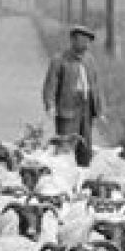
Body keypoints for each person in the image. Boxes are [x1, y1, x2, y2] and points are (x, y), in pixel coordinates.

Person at [42, 24, 103, 168]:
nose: (87, 44)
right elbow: (50, 85)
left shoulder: (90, 60)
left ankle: (83, 175)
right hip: (67, 107)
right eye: (83, 40)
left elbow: (96, 85)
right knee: (66, 146)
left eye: (88, 41)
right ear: (73, 40)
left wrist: (100, 110)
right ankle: (65, 176)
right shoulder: (60, 59)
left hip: (86, 108)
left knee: (85, 146)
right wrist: (50, 105)